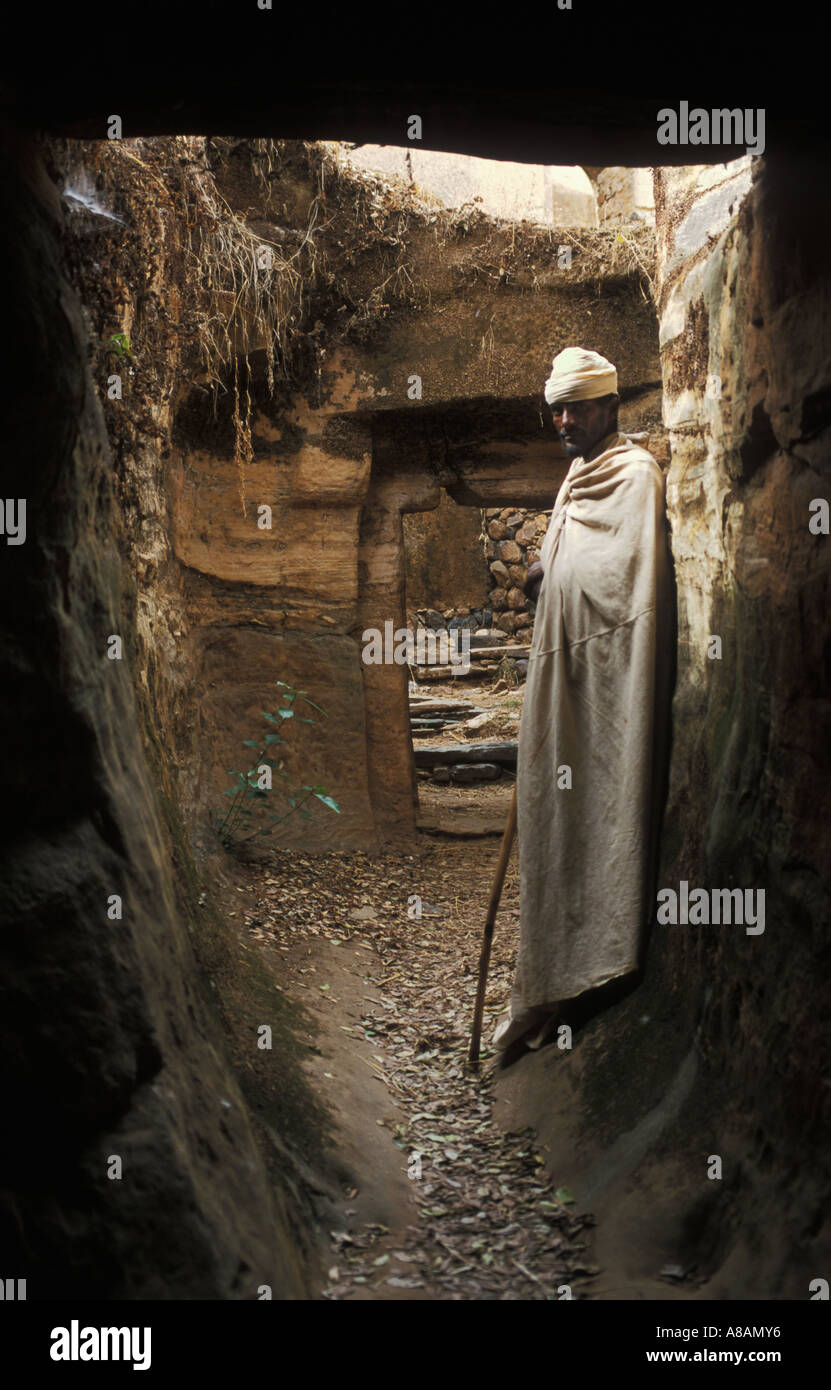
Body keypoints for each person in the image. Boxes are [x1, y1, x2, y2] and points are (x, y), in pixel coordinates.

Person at [493, 347, 674, 1058]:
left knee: (599, 809)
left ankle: (593, 966)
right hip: (555, 682)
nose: (564, 419)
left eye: (577, 406)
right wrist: (544, 569)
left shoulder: (633, 477)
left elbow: (625, 588)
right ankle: (548, 979)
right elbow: (564, 566)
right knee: (551, 814)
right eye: (557, 408)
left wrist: (557, 572)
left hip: (603, 685)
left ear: (609, 406)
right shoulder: (574, 477)